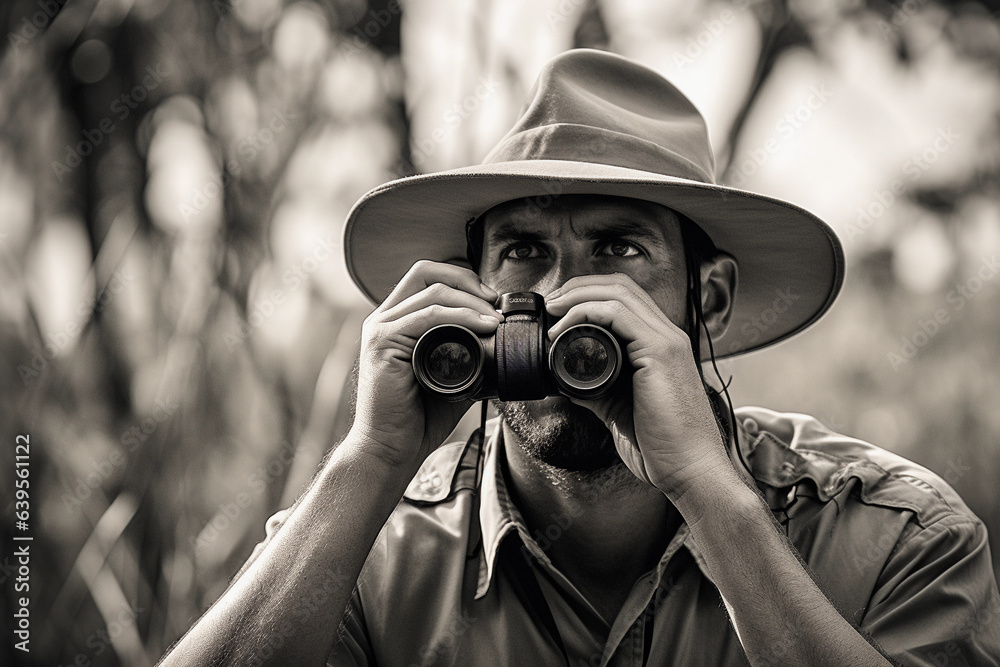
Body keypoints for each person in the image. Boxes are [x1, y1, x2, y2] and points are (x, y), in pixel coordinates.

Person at [160, 49, 1000, 666]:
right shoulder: (364, 551)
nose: (566, 294)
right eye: (523, 251)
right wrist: (371, 460)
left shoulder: (894, 535)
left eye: (620, 249)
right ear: (469, 291)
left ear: (706, 300)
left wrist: (710, 494)